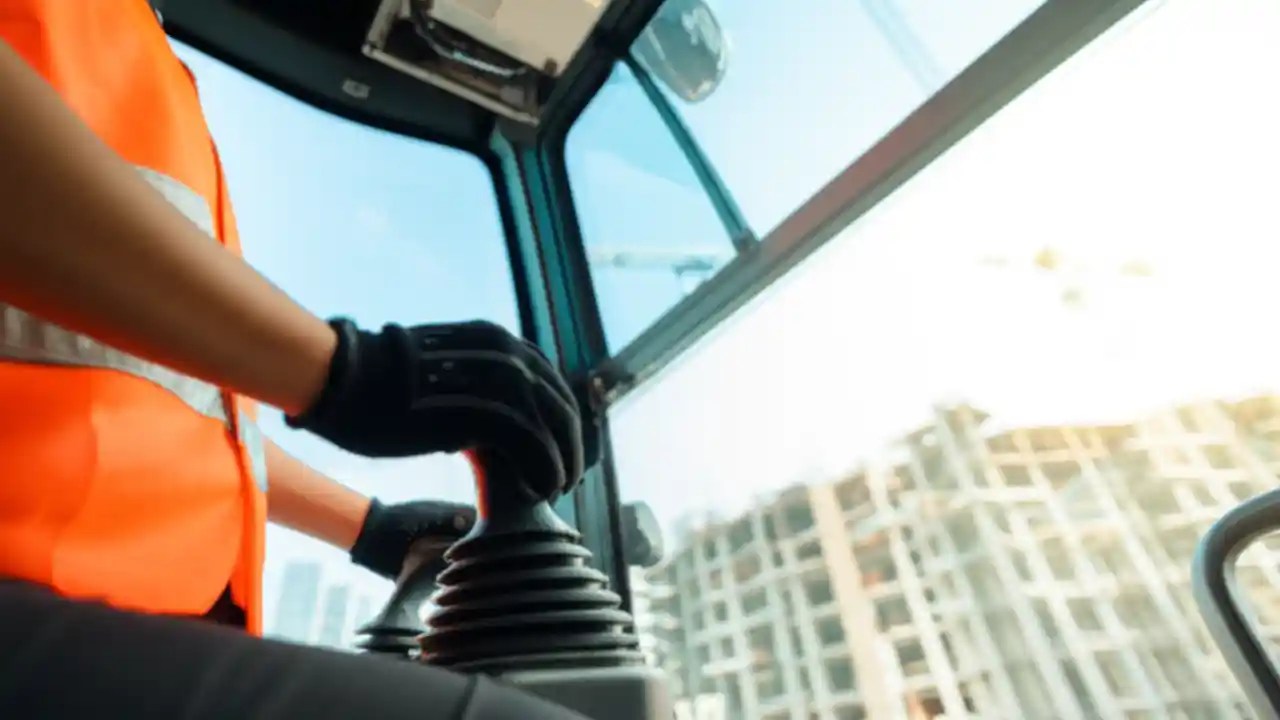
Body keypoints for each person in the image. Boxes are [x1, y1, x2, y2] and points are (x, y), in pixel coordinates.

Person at [0, 1, 588, 718]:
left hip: (132, 622)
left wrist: (369, 525)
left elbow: (174, 402)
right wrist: (352, 373)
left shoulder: (145, 51)